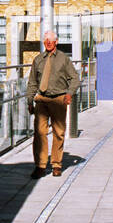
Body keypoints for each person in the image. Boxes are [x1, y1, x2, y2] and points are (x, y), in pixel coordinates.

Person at [27, 31, 79, 178]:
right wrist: (30, 100)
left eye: (51, 40)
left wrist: (69, 94)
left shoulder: (63, 59)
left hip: (58, 99)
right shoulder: (38, 60)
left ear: (56, 42)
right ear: (44, 43)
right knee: (39, 133)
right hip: (42, 99)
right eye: (46, 41)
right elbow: (32, 82)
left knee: (59, 132)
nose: (48, 43)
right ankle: (40, 166)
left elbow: (75, 78)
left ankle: (56, 164)